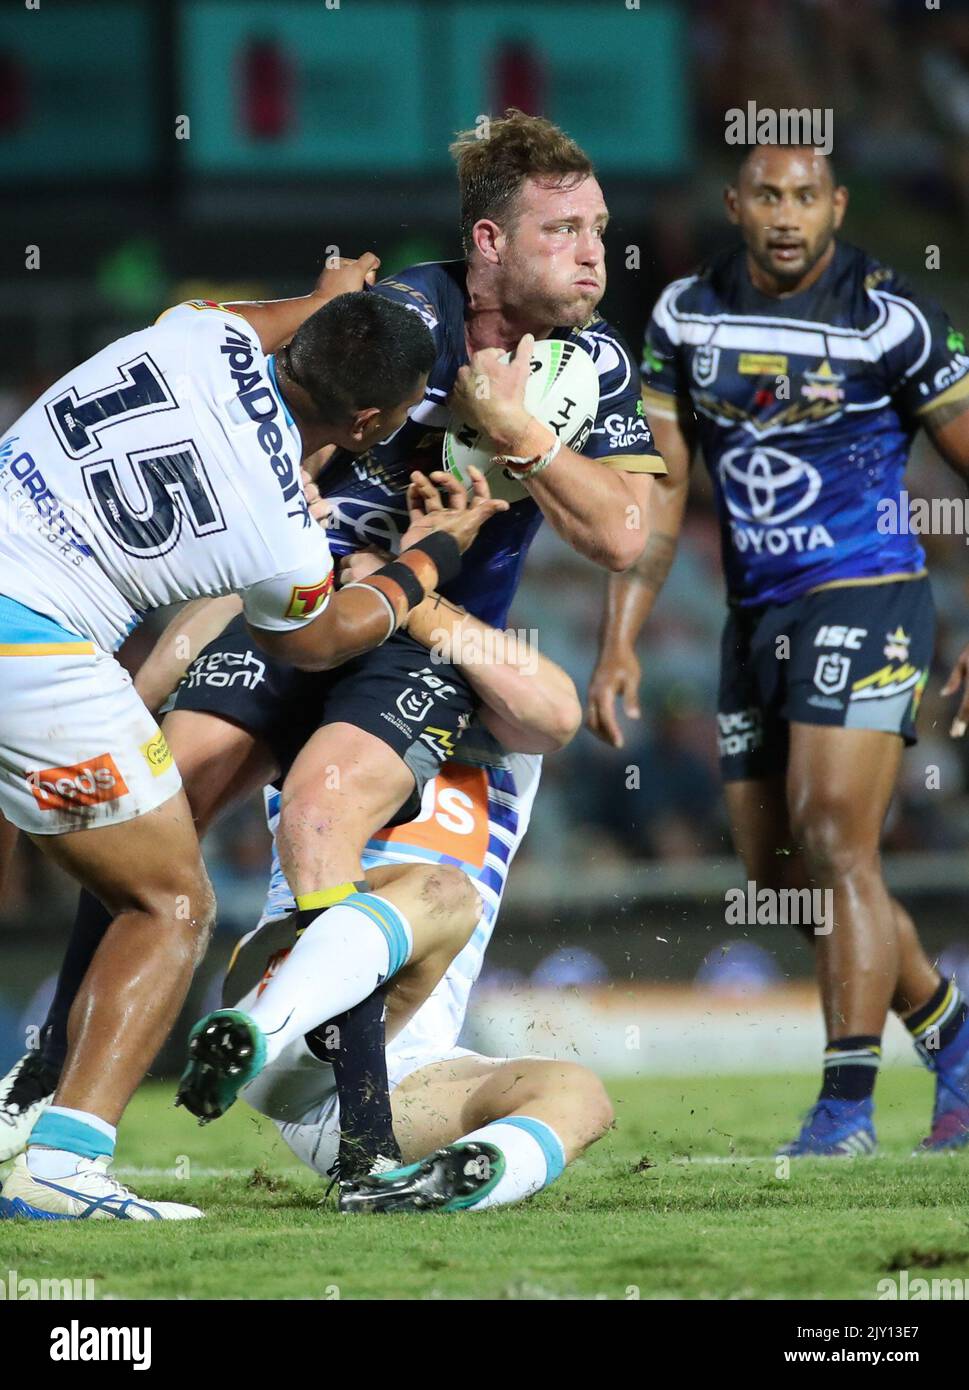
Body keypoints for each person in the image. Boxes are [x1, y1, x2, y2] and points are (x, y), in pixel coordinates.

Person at [1, 108, 667, 1175]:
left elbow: (625, 533)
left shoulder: (595, 368)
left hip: (415, 630)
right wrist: (183, 638)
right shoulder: (399, 315)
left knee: (322, 810)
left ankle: (359, 1144)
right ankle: (41, 1081)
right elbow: (261, 449)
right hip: (295, 598)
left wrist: (517, 436)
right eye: (562, 231)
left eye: (597, 227)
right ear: (488, 243)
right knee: (173, 800)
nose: (594, 252)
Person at [0, 260, 503, 1221]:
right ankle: (64, 1165)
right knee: (168, 903)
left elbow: (248, 317)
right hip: (35, 652)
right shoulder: (276, 523)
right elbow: (315, 640)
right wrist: (431, 556)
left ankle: (29, 1101)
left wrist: (325, 296)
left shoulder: (197, 334)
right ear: (371, 427)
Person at [587, 145, 969, 1156]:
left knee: (836, 835)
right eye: (768, 195)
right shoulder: (682, 316)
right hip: (754, 620)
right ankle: (955, 1033)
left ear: (838, 206)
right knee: (780, 869)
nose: (787, 214)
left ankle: (844, 1107)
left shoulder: (892, 318)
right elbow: (660, 490)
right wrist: (619, 641)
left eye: (807, 196)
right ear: (736, 205)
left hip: (871, 596)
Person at [203, 581, 611, 1213]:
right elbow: (264, 622)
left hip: (398, 1078)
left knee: (579, 1095)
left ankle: (414, 1193)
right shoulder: (328, 723)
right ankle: (248, 1034)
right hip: (297, 1010)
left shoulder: (512, 747)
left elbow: (551, 705)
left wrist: (420, 597)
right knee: (444, 892)